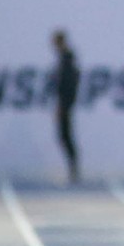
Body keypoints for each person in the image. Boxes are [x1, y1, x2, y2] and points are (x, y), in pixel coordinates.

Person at [52, 31, 80, 184]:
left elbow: (68, 85)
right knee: (65, 137)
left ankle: (73, 168)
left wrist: (63, 105)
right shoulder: (65, 58)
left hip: (65, 104)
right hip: (65, 104)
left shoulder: (67, 59)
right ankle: (73, 168)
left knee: (66, 136)